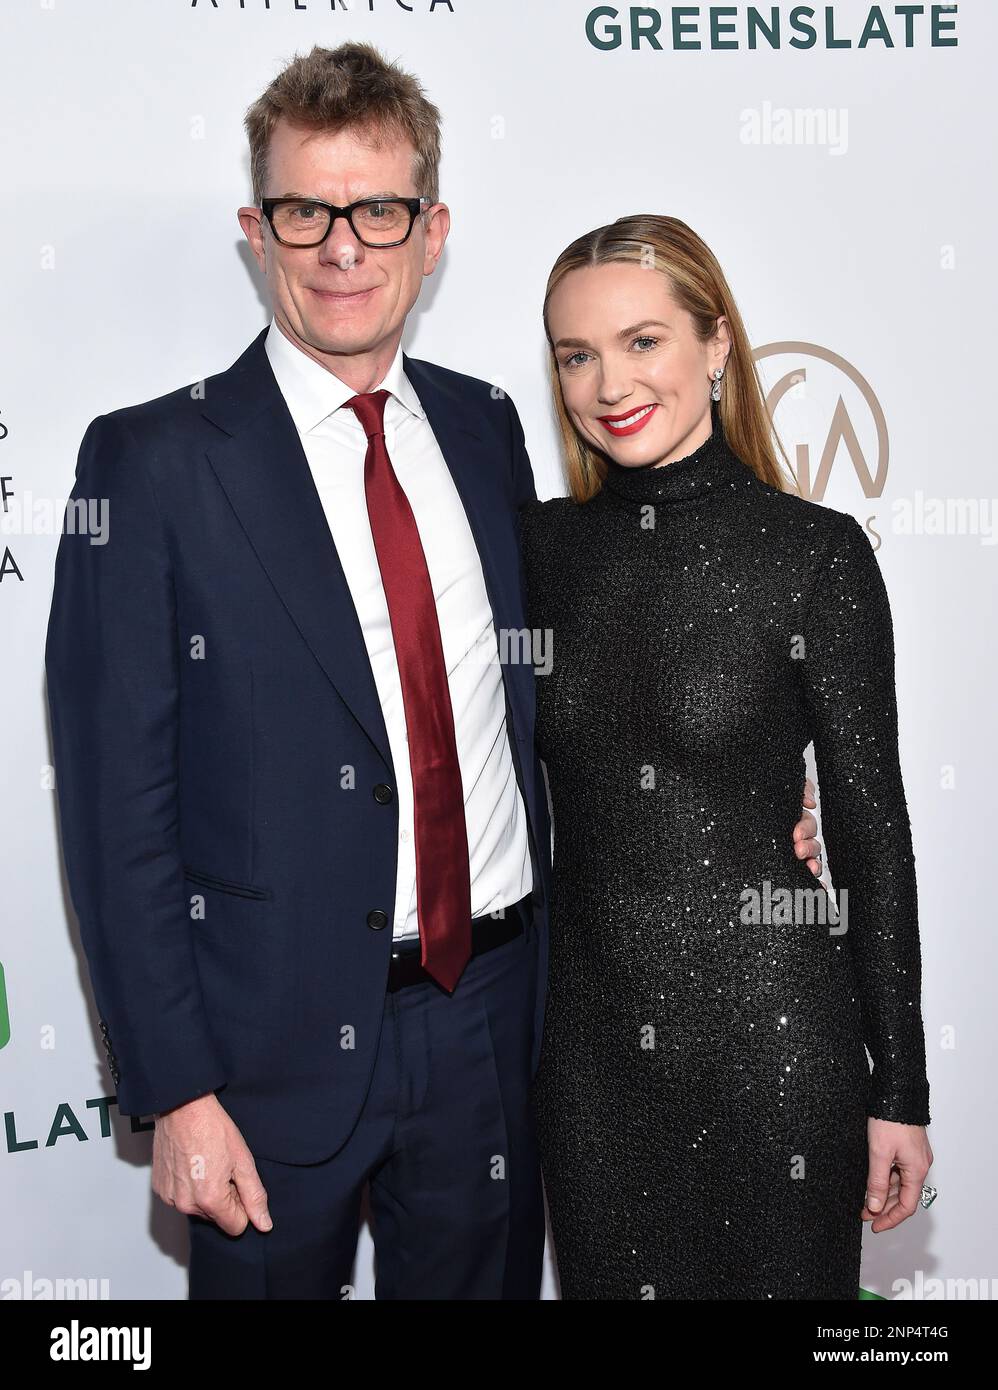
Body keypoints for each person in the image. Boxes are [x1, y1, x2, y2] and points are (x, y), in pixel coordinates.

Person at [44, 44, 822, 1300]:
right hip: (260, 1053)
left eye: (378, 210)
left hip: (494, 1019)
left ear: (431, 229)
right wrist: (174, 1090)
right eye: (305, 210)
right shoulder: (151, 465)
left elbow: (569, 686)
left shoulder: (481, 426)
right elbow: (110, 811)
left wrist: (749, 798)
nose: (342, 247)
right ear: (257, 229)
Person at [518, 214, 934, 1300]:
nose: (608, 380)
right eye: (575, 353)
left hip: (775, 1048)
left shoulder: (813, 554)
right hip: (592, 1058)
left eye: (642, 340)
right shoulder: (534, 553)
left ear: (714, 344)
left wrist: (899, 1086)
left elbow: (870, 835)